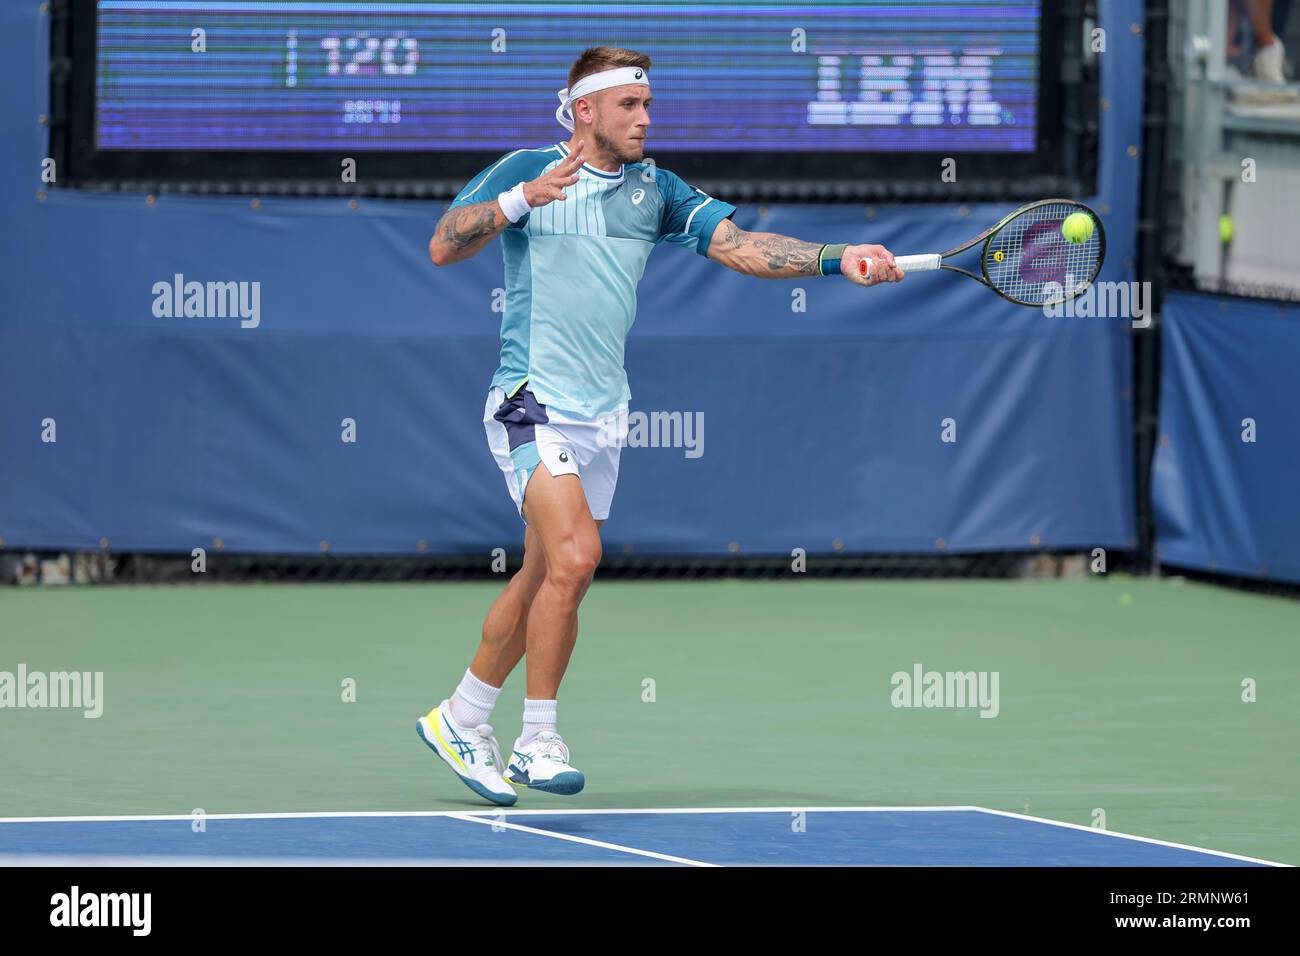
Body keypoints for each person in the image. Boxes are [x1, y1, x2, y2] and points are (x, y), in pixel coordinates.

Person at [416, 45, 903, 805]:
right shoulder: (526, 169)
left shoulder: (658, 189)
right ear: (584, 111)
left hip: (603, 413)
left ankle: (461, 716)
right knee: (577, 557)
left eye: (648, 104)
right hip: (529, 399)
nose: (645, 118)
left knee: (545, 574)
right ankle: (537, 740)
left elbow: (742, 248)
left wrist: (839, 258)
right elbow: (445, 244)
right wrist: (520, 201)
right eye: (629, 106)